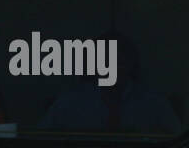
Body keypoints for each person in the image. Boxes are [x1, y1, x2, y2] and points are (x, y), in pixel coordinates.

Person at [38, 32, 181, 135]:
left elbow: (178, 139)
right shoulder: (69, 102)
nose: (112, 65)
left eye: (119, 59)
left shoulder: (154, 103)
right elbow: (42, 138)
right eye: (104, 59)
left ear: (130, 62)